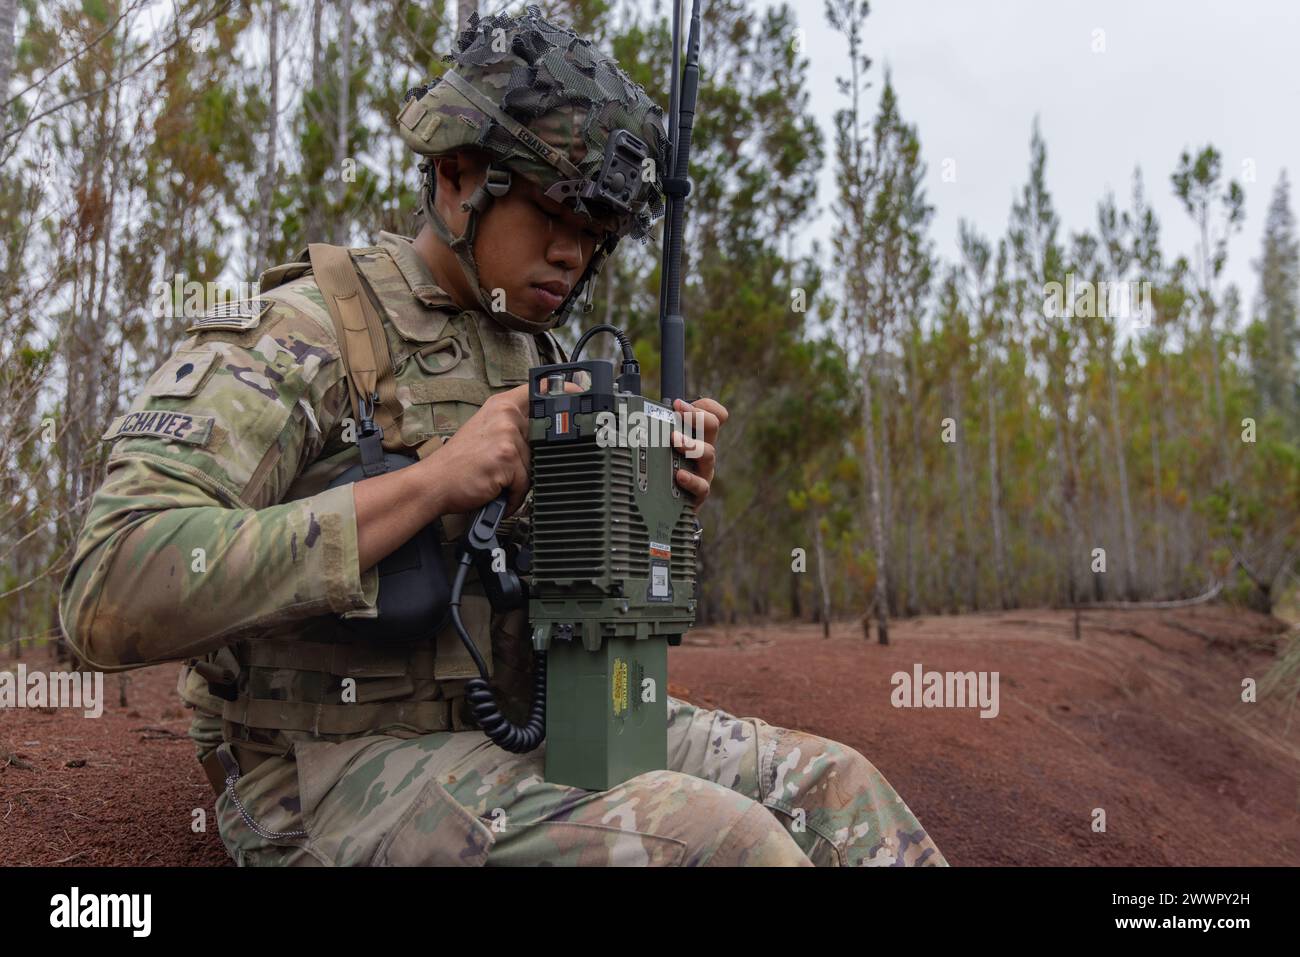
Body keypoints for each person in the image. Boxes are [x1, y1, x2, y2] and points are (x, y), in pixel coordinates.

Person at [59, 6, 946, 867]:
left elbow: (547, 586)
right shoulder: (306, 331)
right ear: (455, 174)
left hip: (538, 722)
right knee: (726, 843)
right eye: (553, 216)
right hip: (331, 770)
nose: (572, 254)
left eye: (595, 235)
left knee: (838, 789)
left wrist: (647, 499)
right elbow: (110, 584)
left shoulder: (544, 355)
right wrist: (433, 483)